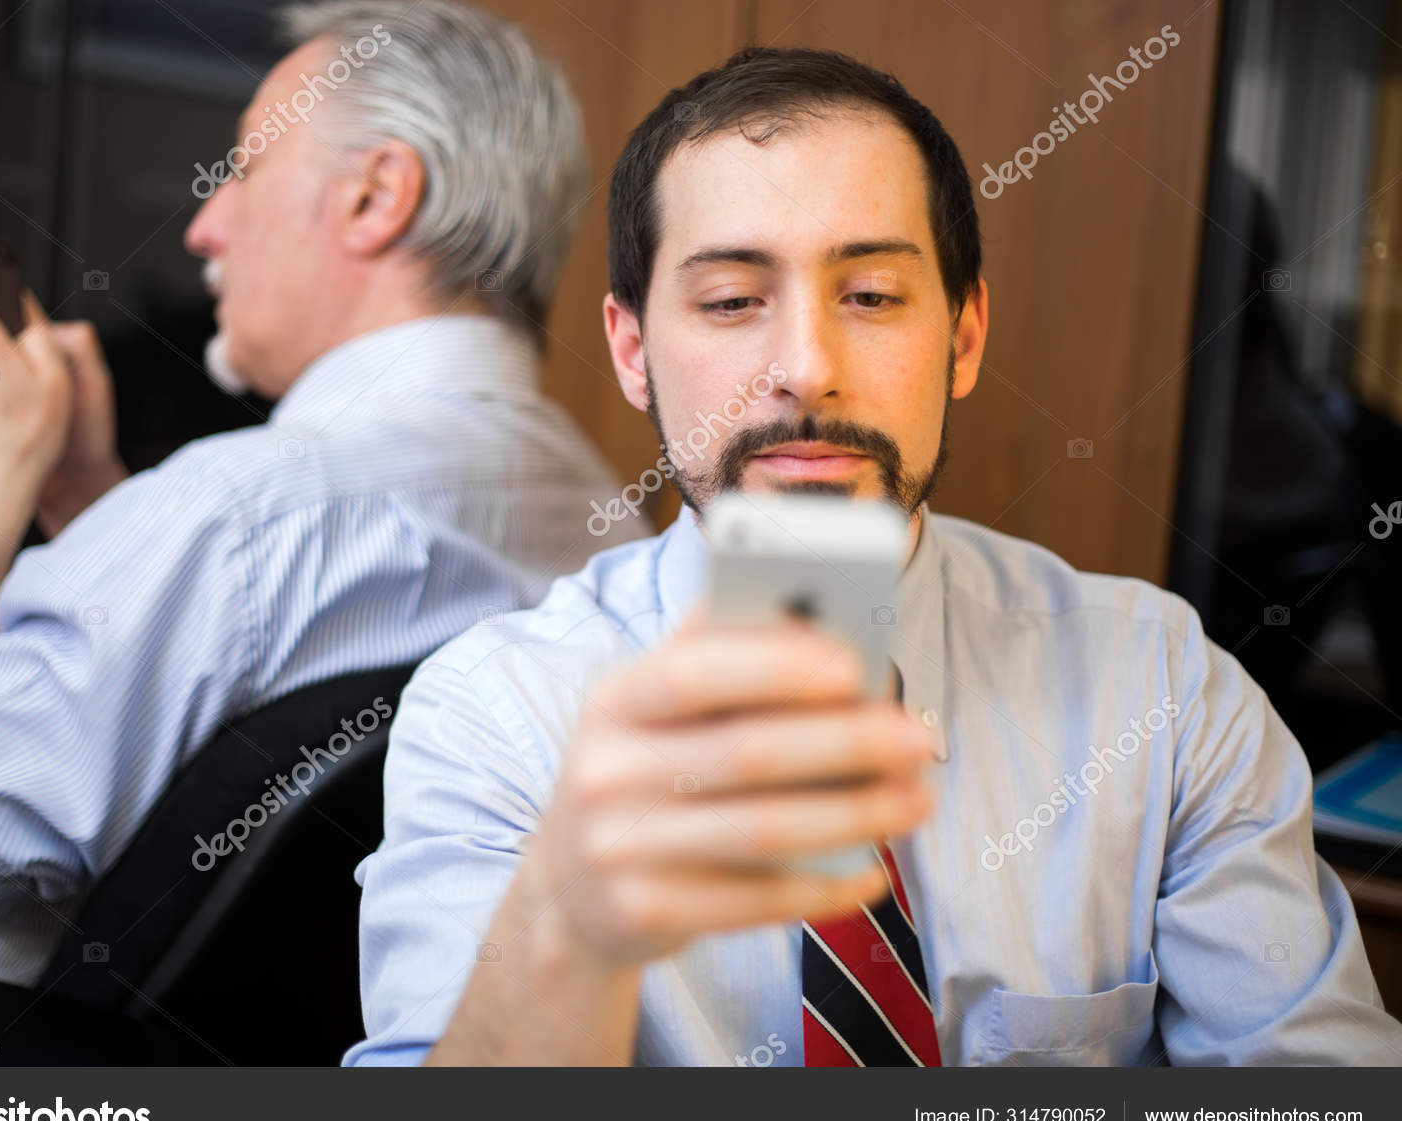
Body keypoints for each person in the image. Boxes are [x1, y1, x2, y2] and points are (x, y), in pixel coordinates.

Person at [344, 46, 1402, 1066]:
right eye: (730, 301)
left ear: (965, 336)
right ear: (633, 352)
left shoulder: (1166, 693)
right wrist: (566, 925)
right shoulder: (496, 717)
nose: (806, 368)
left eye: (871, 297)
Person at [0, 0, 647, 986]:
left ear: (376, 197)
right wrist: (93, 501)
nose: (204, 228)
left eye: (245, 168)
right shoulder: (614, 526)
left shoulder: (235, 514)